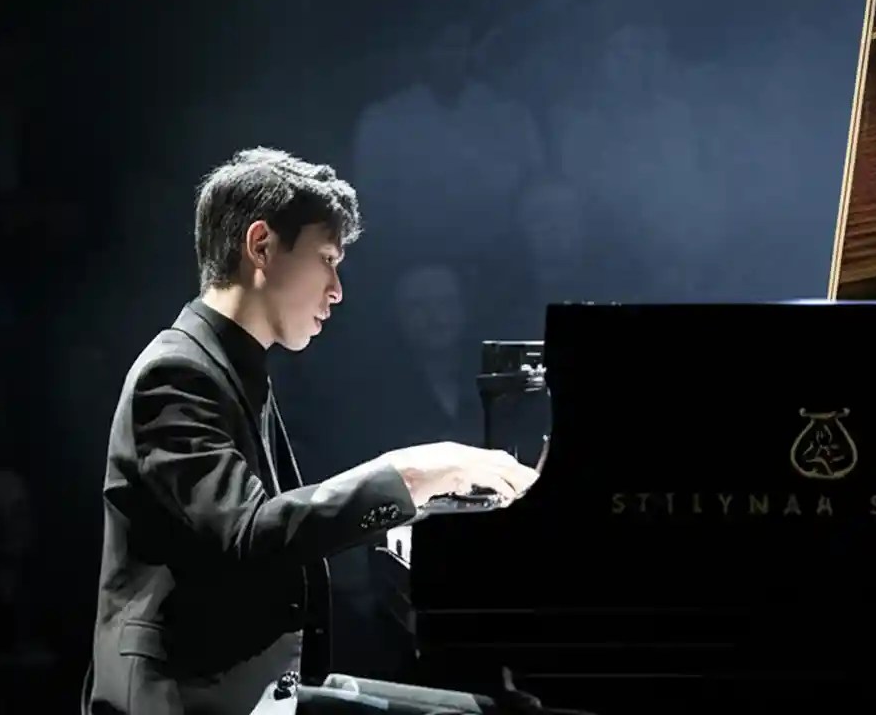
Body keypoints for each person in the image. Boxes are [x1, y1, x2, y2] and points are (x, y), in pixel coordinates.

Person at [82, 147, 542, 715]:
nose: (337, 289)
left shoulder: (230, 365)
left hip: (249, 684)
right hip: (190, 698)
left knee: (498, 710)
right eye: (327, 258)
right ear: (261, 247)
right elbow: (252, 532)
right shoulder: (175, 374)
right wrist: (419, 471)